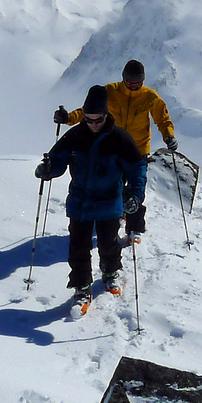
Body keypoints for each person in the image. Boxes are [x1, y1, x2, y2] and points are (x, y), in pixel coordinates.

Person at [38, 85, 147, 308]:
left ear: (106, 115)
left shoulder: (120, 139)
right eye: (89, 119)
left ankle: (110, 273)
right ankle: (82, 287)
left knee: (108, 242)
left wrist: (135, 196)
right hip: (80, 202)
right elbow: (57, 159)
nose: (94, 124)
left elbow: (137, 169)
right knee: (78, 246)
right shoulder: (75, 136)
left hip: (109, 201)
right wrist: (48, 169)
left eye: (98, 119)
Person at [56, 59, 175, 245]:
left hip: (138, 150)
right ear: (123, 78)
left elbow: (163, 119)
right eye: (130, 82)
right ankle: (115, 218)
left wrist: (168, 136)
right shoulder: (110, 91)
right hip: (112, 148)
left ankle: (134, 228)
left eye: (138, 82)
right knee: (115, 187)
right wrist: (68, 118)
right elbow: (88, 112)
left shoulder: (151, 97)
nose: (134, 86)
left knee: (136, 190)